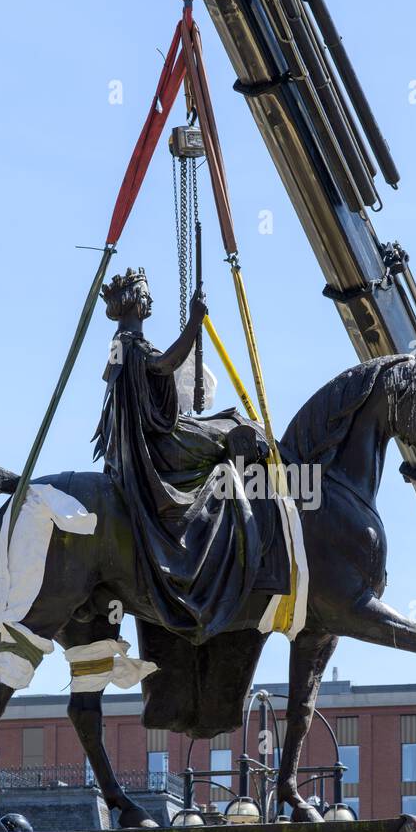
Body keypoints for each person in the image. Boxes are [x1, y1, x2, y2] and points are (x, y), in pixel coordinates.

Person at [92, 268, 274, 640]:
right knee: (232, 429)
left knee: (227, 422)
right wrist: (194, 322)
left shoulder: (119, 344)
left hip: (147, 438)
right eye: (146, 293)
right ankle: (236, 511)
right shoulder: (131, 342)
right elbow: (166, 364)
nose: (151, 300)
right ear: (134, 301)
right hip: (161, 442)